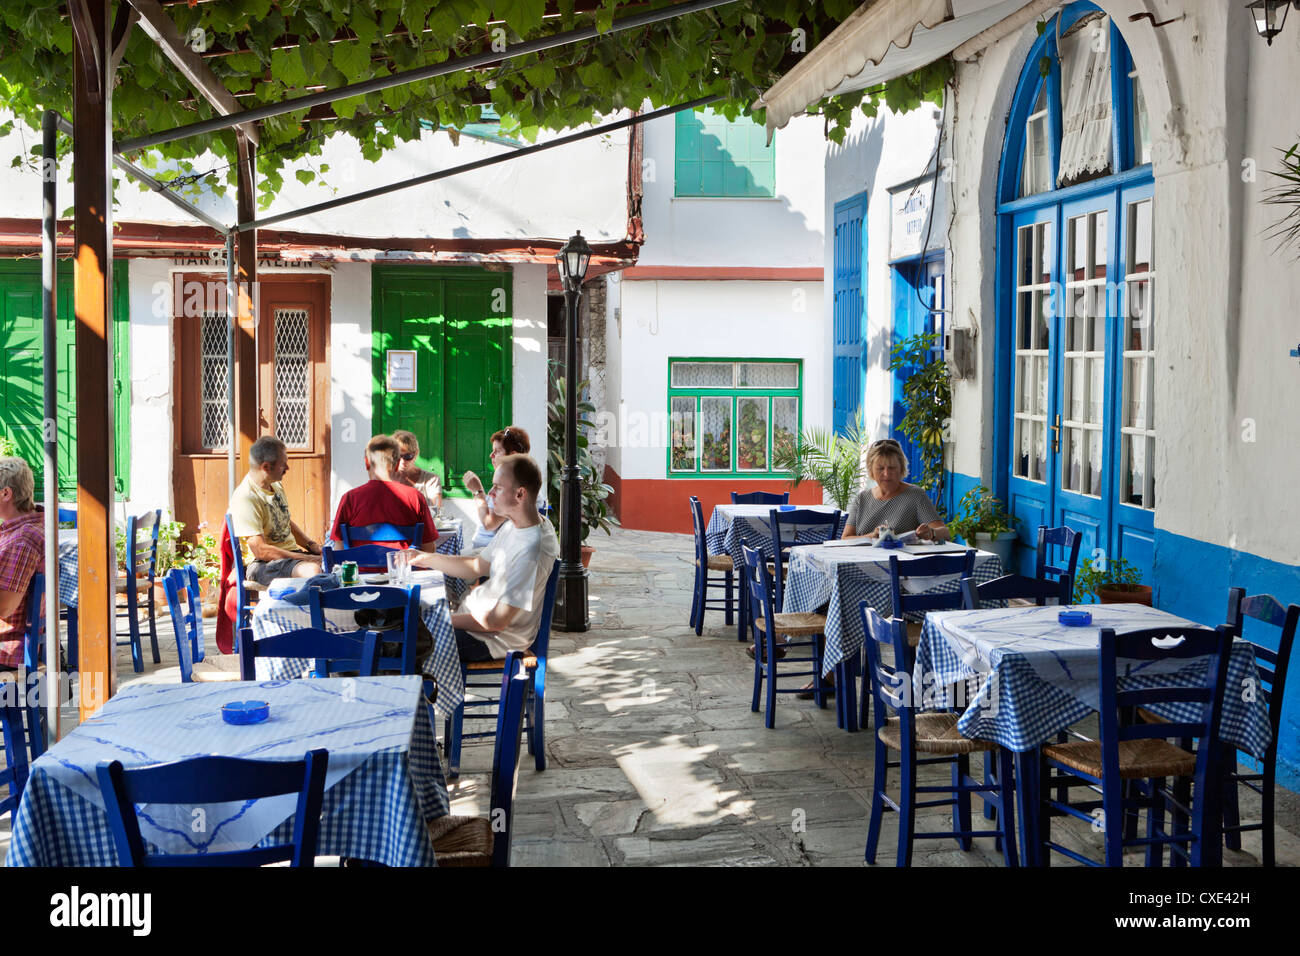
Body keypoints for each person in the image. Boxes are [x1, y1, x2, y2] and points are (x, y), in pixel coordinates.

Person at [411, 453, 558, 662]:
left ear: (520, 494)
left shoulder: (532, 548)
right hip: (477, 619)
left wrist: (443, 620)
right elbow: (476, 566)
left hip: (492, 639)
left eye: (497, 487)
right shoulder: (514, 525)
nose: (489, 493)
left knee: (407, 644)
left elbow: (494, 623)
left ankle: (420, 693)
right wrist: (423, 558)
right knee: (403, 623)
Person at [228, 435, 322, 585]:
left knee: (337, 564)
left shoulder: (275, 485)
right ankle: (296, 608)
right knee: (313, 571)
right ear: (265, 467)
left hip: (290, 557)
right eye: (282, 464)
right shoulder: (245, 497)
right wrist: (308, 558)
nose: (287, 468)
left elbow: (284, 522)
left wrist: (313, 546)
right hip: (261, 564)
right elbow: (261, 550)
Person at [331, 434, 438, 552]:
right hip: (404, 569)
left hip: (361, 570)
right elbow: (429, 549)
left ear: (367, 463)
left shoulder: (349, 498)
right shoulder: (415, 497)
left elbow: (339, 548)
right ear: (397, 464)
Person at [842, 438, 949, 542]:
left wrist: (931, 533)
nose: (886, 474)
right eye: (880, 468)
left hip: (902, 559)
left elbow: (944, 532)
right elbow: (845, 538)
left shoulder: (916, 495)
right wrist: (872, 536)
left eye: (892, 468)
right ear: (871, 470)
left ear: (901, 469)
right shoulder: (862, 499)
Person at [0, 457, 43, 672]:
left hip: (8, 647)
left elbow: (4, 607)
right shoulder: (34, 526)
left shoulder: (22, 540)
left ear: (6, 493)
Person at [462, 425, 531, 549]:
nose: (491, 455)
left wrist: (478, 492)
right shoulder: (509, 479)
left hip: (492, 553)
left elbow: (489, 524)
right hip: (486, 550)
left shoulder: (514, 486)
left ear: (512, 455)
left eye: (497, 451)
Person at [392, 429, 443, 515]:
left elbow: (436, 511)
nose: (402, 461)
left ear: (416, 454)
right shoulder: (386, 478)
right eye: (398, 456)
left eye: (408, 456)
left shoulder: (430, 480)